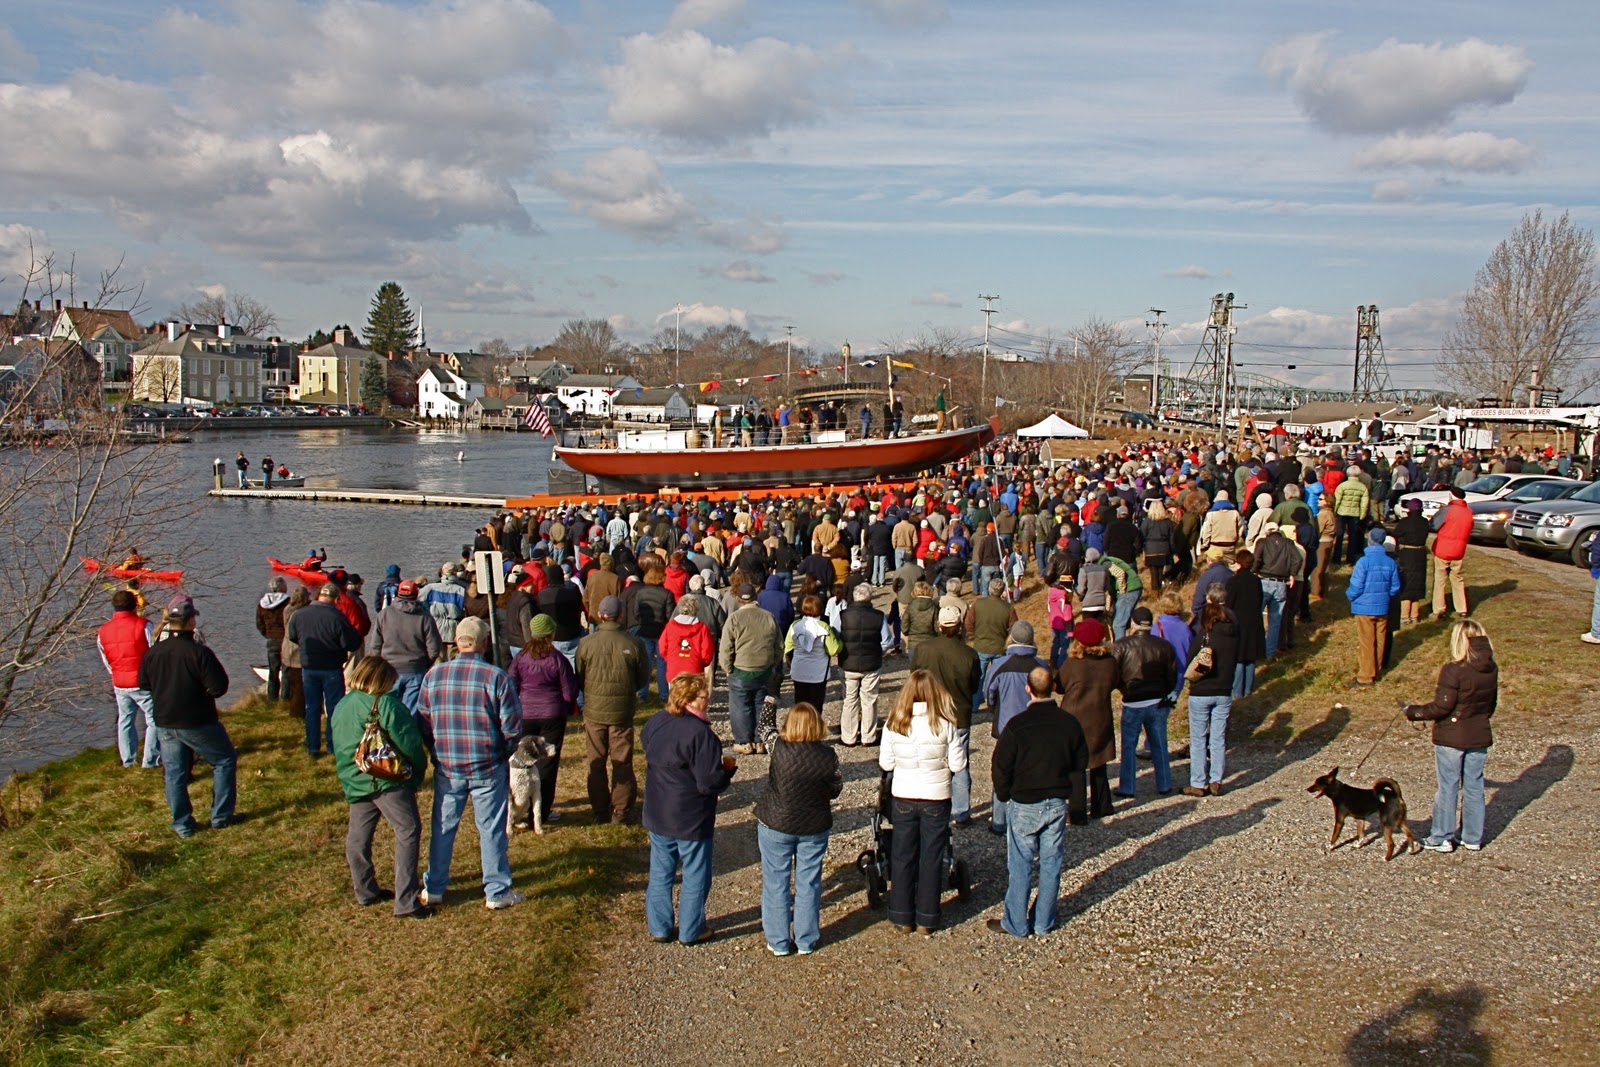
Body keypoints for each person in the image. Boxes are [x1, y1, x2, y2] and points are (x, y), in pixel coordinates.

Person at [418, 616, 524, 910]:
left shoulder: (434, 675)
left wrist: (435, 750)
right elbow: (513, 726)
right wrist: (503, 751)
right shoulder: (496, 677)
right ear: (484, 644)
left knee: (443, 826)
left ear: (457, 641)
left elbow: (424, 721)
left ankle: (435, 886)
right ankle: (496, 890)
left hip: (448, 765)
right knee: (490, 829)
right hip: (487, 764)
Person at [987, 666, 1088, 939]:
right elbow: (1080, 765)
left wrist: (1005, 794)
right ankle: (1044, 921)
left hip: (1024, 802)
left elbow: (1000, 765)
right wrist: (1077, 803)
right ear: (1053, 686)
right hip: (1056, 802)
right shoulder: (1069, 723)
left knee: (1020, 863)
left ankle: (1017, 923)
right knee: (1051, 862)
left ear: (1028, 689)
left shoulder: (1018, 725)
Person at [331, 656, 430, 919]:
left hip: (354, 778)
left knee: (358, 838)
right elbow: (409, 743)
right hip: (385, 779)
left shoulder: (341, 705)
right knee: (408, 830)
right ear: (381, 679)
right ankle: (406, 900)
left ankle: (365, 890)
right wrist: (418, 771)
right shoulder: (386, 704)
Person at [641, 672, 733, 945]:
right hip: (691, 817)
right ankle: (691, 931)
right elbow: (708, 782)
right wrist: (726, 773)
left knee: (660, 872)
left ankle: (659, 927)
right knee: (695, 874)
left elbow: (647, 745)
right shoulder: (701, 734)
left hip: (658, 810)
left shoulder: (656, 722)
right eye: (704, 696)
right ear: (692, 700)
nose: (708, 699)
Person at [138, 596, 234, 837]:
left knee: (174, 773)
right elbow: (219, 687)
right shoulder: (199, 653)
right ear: (191, 621)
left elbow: (143, 683)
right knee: (224, 760)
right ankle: (220, 816)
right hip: (197, 720)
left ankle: (182, 824)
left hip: (165, 720)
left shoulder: (154, 653)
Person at [878, 670, 966, 935]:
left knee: (903, 855)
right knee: (931, 856)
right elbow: (958, 764)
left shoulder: (894, 722)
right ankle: (927, 918)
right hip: (936, 797)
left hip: (904, 794)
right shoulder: (945, 723)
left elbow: (886, 763)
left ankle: (902, 915)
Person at [755, 699, 841, 955]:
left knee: (776, 882)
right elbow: (836, 790)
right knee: (809, 883)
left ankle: (779, 941)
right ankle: (805, 940)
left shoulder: (778, 747)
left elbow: (764, 726)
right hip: (813, 826)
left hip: (776, 823)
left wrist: (771, 697)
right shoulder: (828, 756)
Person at [1406, 620, 1498, 853]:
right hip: (1479, 733)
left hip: (1452, 737)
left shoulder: (1454, 670)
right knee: (1474, 786)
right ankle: (1472, 837)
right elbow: (1491, 705)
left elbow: (1441, 707)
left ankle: (1442, 836)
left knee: (1448, 787)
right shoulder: (1491, 668)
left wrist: (1414, 711)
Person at [575, 595, 649, 824]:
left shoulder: (586, 643)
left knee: (596, 761)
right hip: (621, 710)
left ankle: (600, 810)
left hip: (595, 710)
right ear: (620, 615)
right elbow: (642, 677)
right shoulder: (633, 643)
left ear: (600, 615)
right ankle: (620, 810)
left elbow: (579, 676)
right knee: (622, 761)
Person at [910, 603, 982, 827]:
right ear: (959, 625)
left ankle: (929, 805)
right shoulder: (969, 654)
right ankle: (960, 812)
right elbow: (973, 685)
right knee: (959, 764)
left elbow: (914, 678)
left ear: (939, 625)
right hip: (958, 714)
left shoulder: (924, 649)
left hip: (929, 714)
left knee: (929, 761)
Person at [508, 614, 579, 826]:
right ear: (551, 633)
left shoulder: (521, 657)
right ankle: (542, 811)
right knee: (548, 761)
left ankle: (519, 806)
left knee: (523, 760)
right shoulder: (557, 659)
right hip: (552, 713)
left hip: (526, 713)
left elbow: (510, 682)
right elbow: (569, 693)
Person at [984, 620, 1050, 835]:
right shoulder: (1041, 666)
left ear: (1011, 638)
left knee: (1003, 771)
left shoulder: (1001, 664)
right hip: (1035, 727)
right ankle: (1032, 821)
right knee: (1032, 772)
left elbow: (989, 693)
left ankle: (999, 820)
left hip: (1006, 726)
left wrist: (996, 709)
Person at [286, 583, 362, 757]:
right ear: (336, 599)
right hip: (332, 668)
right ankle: (332, 745)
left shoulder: (299, 614)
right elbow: (351, 642)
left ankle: (312, 747)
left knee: (312, 707)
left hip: (309, 666)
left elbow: (292, 636)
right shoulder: (337, 617)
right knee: (334, 707)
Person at [1111, 607, 1179, 799]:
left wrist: (1123, 688)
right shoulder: (1163, 646)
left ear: (1133, 623)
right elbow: (1172, 674)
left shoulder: (1121, 646)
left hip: (1132, 701)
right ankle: (1164, 784)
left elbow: (1113, 673)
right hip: (1157, 701)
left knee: (1128, 746)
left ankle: (1127, 786)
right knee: (1159, 744)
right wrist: (1163, 692)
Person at [1056, 617, 1120, 819]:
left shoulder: (1073, 664)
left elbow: (1060, 686)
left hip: (1075, 717)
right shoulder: (1110, 663)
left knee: (1076, 766)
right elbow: (1116, 683)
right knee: (1099, 762)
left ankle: (1077, 811)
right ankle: (1102, 806)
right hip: (1100, 715)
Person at [1183, 584, 1239, 797]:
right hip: (1224, 691)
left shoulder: (1204, 636)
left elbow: (1190, 662)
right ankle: (1216, 779)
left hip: (1201, 691)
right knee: (1218, 737)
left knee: (1198, 739)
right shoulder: (1232, 637)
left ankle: (1198, 782)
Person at [97, 589, 160, 769]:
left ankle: (128, 761)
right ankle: (150, 761)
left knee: (125, 720)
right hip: (142, 682)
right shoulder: (143, 625)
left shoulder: (103, 631)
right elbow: (153, 653)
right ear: (135, 605)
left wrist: (116, 674)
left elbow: (106, 659)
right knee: (154, 719)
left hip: (119, 682)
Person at [720, 583, 781, 754]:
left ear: (738, 599)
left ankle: (744, 741)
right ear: (756, 597)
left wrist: (727, 667)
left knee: (740, 706)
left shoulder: (734, 618)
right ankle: (760, 740)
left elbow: (726, 647)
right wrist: (773, 662)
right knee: (760, 703)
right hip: (764, 668)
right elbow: (779, 644)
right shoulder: (769, 617)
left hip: (741, 668)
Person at [369, 579, 441, 714]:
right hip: (415, 669)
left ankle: (388, 734)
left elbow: (375, 645)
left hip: (388, 670)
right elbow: (434, 647)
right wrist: (425, 663)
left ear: (398, 594)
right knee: (412, 711)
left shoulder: (384, 614)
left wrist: (377, 667)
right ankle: (410, 734)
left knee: (386, 709)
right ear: (416, 595)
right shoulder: (424, 617)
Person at [1346, 527, 1401, 689]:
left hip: (1364, 607)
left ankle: (1365, 676)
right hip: (1383, 606)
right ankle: (1376, 669)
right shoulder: (1390, 562)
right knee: (1380, 639)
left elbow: (1356, 585)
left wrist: (1350, 596)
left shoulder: (1363, 561)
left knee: (1366, 641)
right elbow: (1395, 587)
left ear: (1369, 540)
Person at [838, 582, 887, 747]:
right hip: (871, 663)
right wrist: (878, 651)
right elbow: (887, 641)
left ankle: (849, 737)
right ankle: (868, 737)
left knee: (849, 700)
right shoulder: (879, 616)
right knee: (869, 701)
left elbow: (836, 637)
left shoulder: (843, 615)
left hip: (847, 663)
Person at [784, 595, 841, 712]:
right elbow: (833, 650)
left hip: (799, 670)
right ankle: (814, 728)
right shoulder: (824, 627)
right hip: (818, 672)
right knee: (816, 705)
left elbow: (787, 647)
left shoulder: (795, 625)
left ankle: (800, 727)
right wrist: (841, 642)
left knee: (800, 704)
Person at [1431, 485, 1472, 621]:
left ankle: (1439, 609)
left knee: (1440, 580)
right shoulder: (1468, 512)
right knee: (1457, 579)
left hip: (1443, 549)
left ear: (1451, 495)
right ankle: (1462, 608)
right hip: (1459, 550)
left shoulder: (1447, 510)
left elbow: (1433, 525)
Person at [1394, 499, 1431, 626]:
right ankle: (1414, 614)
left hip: (1407, 554)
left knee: (1406, 582)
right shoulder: (1424, 522)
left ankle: (1404, 615)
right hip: (1420, 554)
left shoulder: (1405, 522)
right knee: (1418, 582)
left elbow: (1396, 533)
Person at [255, 577, 290, 702]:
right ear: (282, 587)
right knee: (286, 670)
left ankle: (272, 698)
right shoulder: (288, 602)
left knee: (273, 670)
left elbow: (259, 623)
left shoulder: (263, 604)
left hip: (271, 640)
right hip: (285, 639)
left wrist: (268, 634)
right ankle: (285, 699)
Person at [280, 586, 310, 719]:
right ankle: (298, 711)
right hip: (297, 649)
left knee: (289, 678)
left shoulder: (287, 609)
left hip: (286, 646)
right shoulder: (302, 612)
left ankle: (284, 700)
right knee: (299, 682)